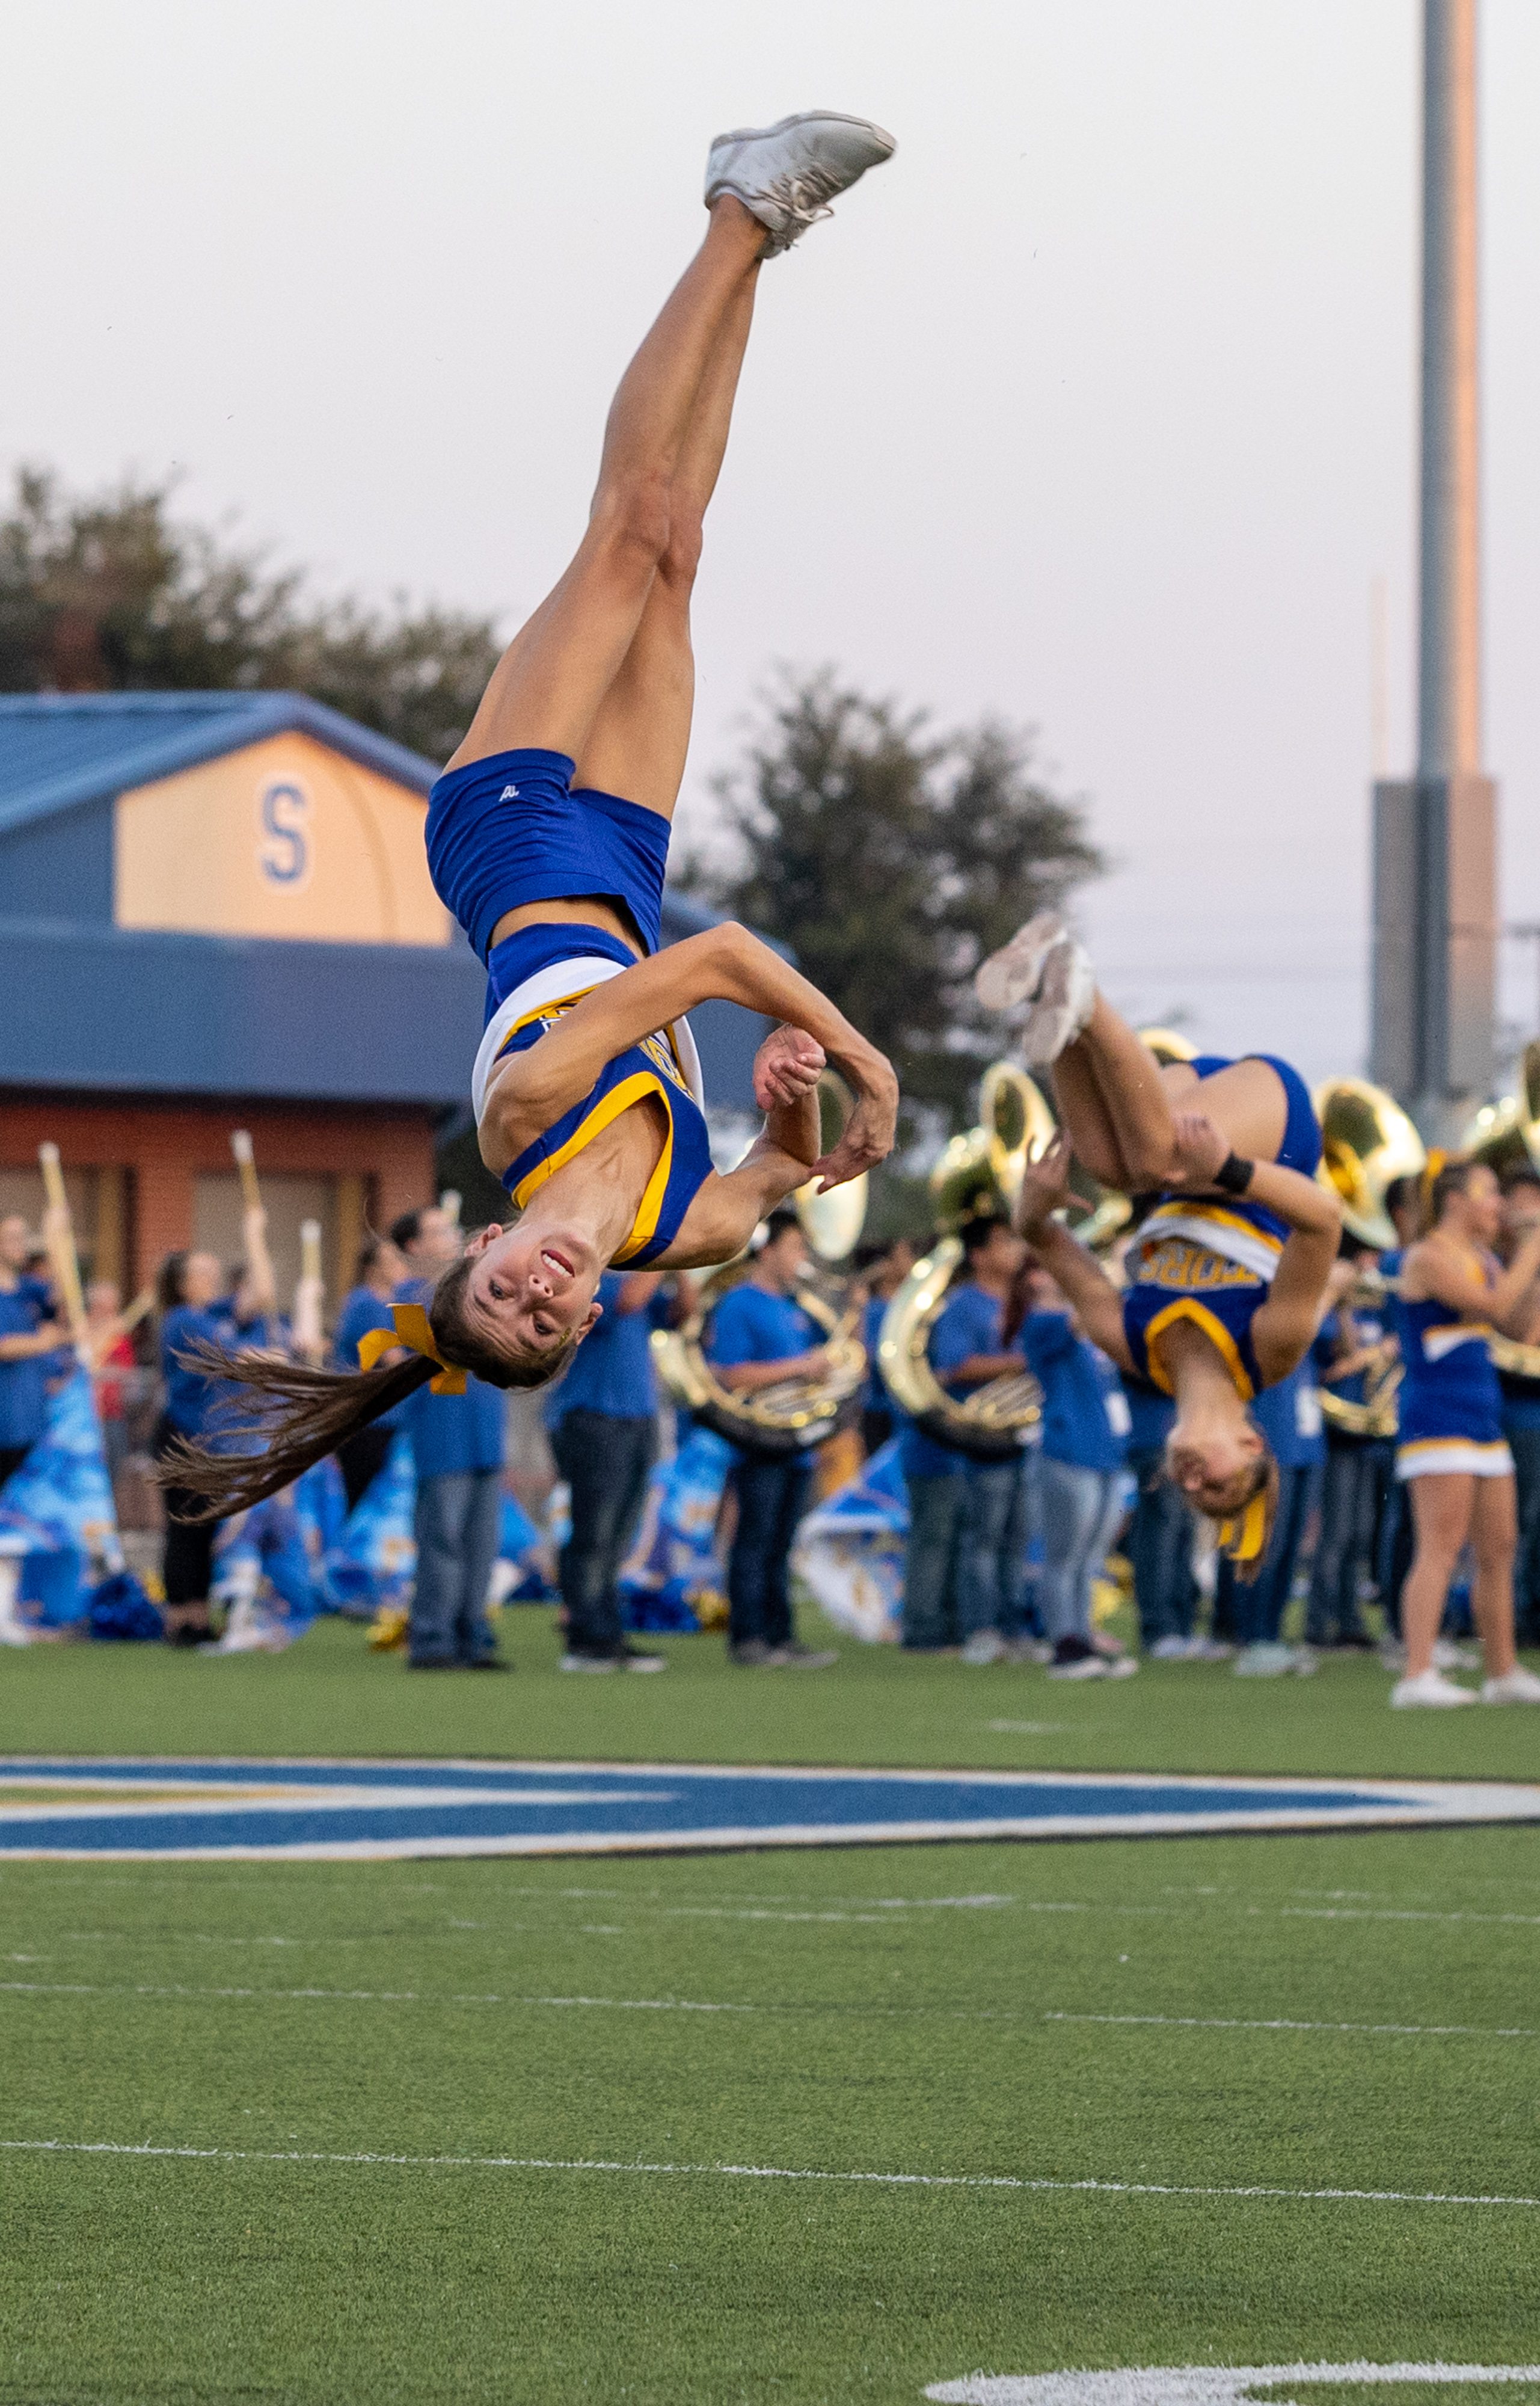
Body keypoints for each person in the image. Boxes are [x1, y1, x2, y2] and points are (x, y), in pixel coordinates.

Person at [153, 112, 899, 1527]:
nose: (541, 1298)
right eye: (547, 1327)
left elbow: (724, 958)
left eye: (505, 1295)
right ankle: (764, 240)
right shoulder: (684, 1234)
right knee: (677, 559)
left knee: (621, 532)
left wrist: (855, 1051)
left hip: (506, 839)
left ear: (487, 1244)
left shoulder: (525, 1109)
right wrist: (798, 1092)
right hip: (617, 869)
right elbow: (784, 1160)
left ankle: (737, 210)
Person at [980, 918, 1340, 1579]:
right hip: (1273, 1132)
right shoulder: (1270, 1348)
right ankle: (1084, 991)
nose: (1196, 1485)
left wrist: (1030, 1210)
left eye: (1193, 1496)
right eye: (1223, 1486)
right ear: (1251, 1442)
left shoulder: (1136, 1349)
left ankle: (1056, 997)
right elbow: (1322, 1219)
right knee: (1154, 1163)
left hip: (1171, 1110)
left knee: (1113, 1169)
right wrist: (1232, 1168)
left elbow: (1051, 1247)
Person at [1390, 1158, 1540, 1705]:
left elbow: (1521, 1327)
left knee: (1499, 1546)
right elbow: (1490, 1305)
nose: (1500, 1204)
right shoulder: (1427, 1256)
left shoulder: (1481, 1258)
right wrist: (1529, 1251)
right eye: (1490, 1192)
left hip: (1481, 1419)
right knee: (1440, 1547)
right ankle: (1416, 1674)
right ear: (1456, 1199)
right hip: (1436, 1420)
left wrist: (1530, 1268)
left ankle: (1501, 1671)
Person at [703, 1212, 839, 1667]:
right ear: (769, 1250)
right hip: (759, 1442)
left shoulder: (794, 1307)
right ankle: (749, 1638)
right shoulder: (739, 1304)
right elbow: (731, 1376)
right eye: (795, 1247)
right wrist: (801, 1368)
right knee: (755, 1539)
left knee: (781, 1543)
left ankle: (780, 1636)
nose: (801, 1258)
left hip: (797, 1443)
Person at [899, 1214, 1032, 1660]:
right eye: (1003, 1241)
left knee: (1014, 1541)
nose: (1015, 1248)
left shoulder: (1023, 1300)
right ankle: (980, 1629)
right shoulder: (962, 1304)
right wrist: (1020, 1362)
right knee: (982, 1540)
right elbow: (954, 1366)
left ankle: (1012, 1628)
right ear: (978, 1256)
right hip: (981, 1442)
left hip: (1022, 1437)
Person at [153, 1210, 277, 1645]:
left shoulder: (215, 1313)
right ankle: (181, 1620)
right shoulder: (184, 1319)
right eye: (202, 1272)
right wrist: (277, 1362)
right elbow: (240, 1357)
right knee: (186, 1528)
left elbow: (261, 1295)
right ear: (183, 1283)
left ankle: (199, 1619)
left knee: (204, 1528)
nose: (213, 1277)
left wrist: (253, 1236)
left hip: (209, 1440)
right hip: (183, 1437)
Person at [544, 1267, 667, 1672]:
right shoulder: (594, 1279)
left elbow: (681, 1315)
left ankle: (607, 1633)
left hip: (635, 1418)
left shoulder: (637, 1279)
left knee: (617, 1535)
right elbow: (628, 1301)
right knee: (594, 1532)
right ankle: (585, 1638)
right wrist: (668, 1257)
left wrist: (689, 1274)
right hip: (594, 1418)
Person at [1017, 1272, 1135, 1680]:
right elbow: (1085, 1314)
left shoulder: (1087, 1333)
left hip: (1104, 1454)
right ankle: (1064, 1645)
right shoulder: (1042, 1322)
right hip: (1067, 1453)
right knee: (1064, 1557)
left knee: (1090, 1559)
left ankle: (1083, 1638)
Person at [1304, 1249, 1393, 1651]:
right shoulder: (1320, 1313)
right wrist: (1336, 1301)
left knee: (1358, 1533)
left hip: (1366, 1433)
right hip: (1336, 1432)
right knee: (1336, 1534)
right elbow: (1332, 1362)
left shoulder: (1367, 1313)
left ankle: (1350, 1620)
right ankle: (1319, 1623)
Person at [1219, 1357, 1322, 1675]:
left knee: (1289, 1548)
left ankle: (1272, 1634)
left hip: (1305, 1442)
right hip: (1269, 1440)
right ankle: (1253, 1637)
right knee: (1265, 1545)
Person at [1494, 1171, 1540, 1651]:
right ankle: (1521, 1620)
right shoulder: (1497, 1264)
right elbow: (1522, 1333)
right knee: (1523, 1520)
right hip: (1516, 1404)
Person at [331, 1234, 410, 1513]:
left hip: (394, 1420)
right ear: (372, 1268)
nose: (398, 1266)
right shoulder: (363, 1303)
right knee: (362, 1499)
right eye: (389, 1261)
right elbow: (393, 1358)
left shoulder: (402, 1302)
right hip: (367, 1421)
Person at [0, 1214, 64, 1494]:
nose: (21, 1244)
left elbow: (61, 1300)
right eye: (13, 1237)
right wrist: (42, 1342)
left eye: (25, 1237)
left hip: (29, 1419)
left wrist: (56, 1242)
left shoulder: (27, 1288)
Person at [854, 1236, 916, 1457]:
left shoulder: (909, 1309)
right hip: (879, 1408)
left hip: (903, 1411)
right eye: (904, 1255)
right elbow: (865, 1354)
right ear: (886, 1265)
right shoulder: (874, 1308)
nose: (911, 1261)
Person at [86, 1278, 139, 1490]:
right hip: (88, 1415)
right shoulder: (82, 1329)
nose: (109, 1313)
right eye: (102, 1307)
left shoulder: (120, 1335)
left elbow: (127, 1370)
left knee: (115, 1470)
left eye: (112, 1308)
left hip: (113, 1412)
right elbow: (85, 1364)